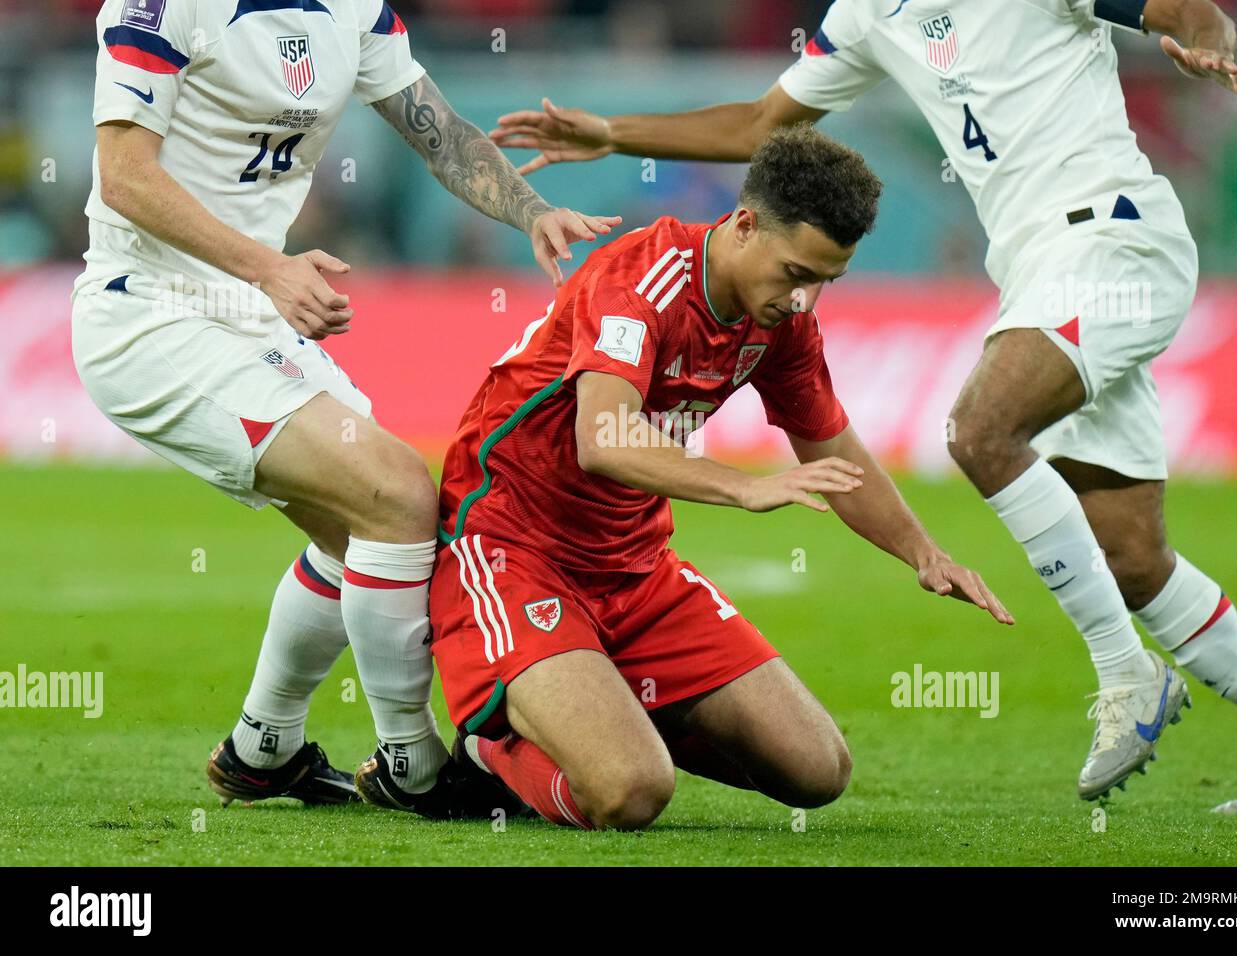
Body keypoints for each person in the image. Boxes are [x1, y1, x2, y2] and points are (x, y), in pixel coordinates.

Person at [489, 0, 1237, 813]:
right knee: (1127, 556)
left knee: (982, 431)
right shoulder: (872, 12)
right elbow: (766, 123)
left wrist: (1207, 40)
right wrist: (613, 134)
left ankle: (1127, 674)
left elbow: (1182, 8)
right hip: (1037, 272)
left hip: (1114, 243)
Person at [71, 0, 619, 815]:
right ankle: (413, 763)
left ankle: (264, 748)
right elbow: (125, 176)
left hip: (254, 308)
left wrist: (531, 211)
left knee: (368, 527)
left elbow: (438, 131)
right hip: (149, 309)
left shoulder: (355, 7)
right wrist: (268, 268)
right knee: (394, 494)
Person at [428, 124, 1013, 830]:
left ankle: (600, 710)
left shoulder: (785, 323)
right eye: (799, 274)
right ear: (742, 226)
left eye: (828, 280)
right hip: (515, 549)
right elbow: (601, 439)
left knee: (817, 771)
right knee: (629, 793)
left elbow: (837, 451)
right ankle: (489, 754)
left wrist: (925, 555)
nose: (808, 301)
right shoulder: (640, 280)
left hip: (634, 566)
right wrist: (740, 485)